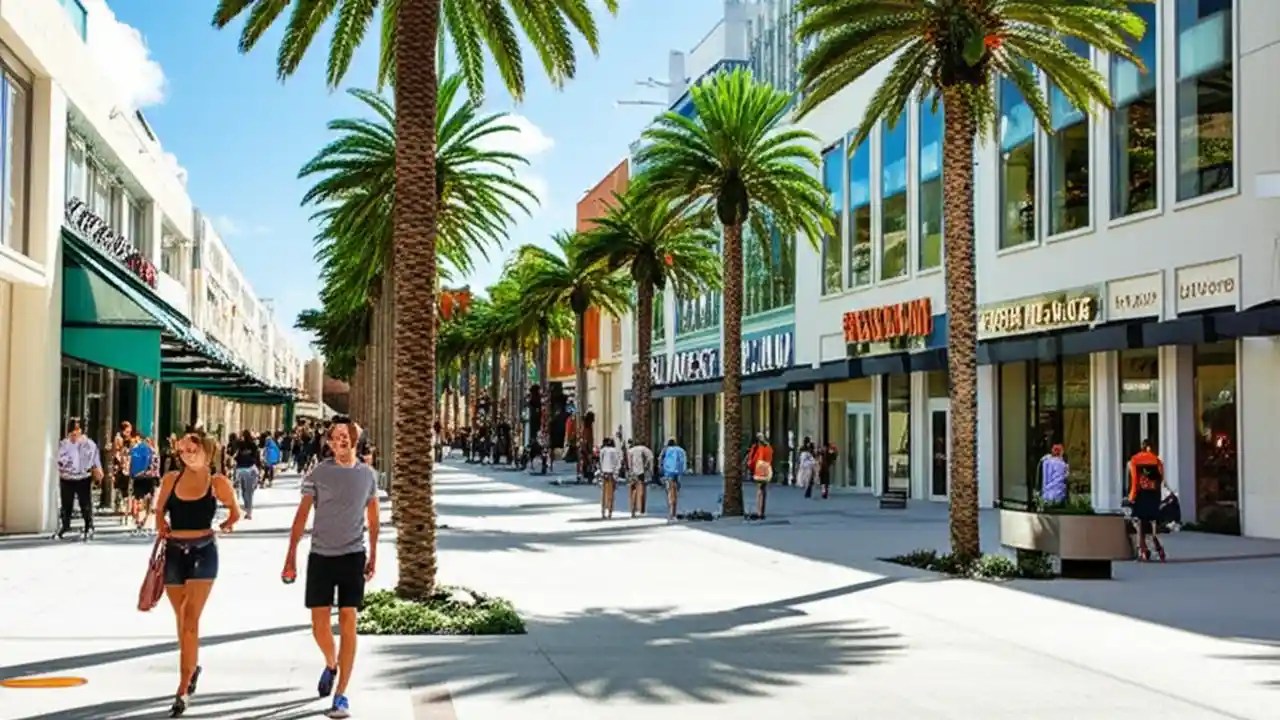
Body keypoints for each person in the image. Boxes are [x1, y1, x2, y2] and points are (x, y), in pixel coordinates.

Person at [283, 417, 379, 720]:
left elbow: (374, 520)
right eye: (337, 436)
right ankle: (332, 662)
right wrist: (290, 556)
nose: (343, 440)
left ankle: (341, 695)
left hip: (353, 555)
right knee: (319, 625)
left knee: (349, 620)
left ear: (356, 439)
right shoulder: (317, 474)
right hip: (321, 556)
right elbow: (300, 518)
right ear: (330, 442)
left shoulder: (368, 476)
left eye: (348, 435)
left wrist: (373, 555)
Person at [154, 432, 240, 717]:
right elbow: (159, 511)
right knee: (181, 618)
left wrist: (226, 524)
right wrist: (161, 526)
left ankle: (182, 686)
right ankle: (192, 666)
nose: (188, 454)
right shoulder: (171, 480)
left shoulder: (217, 482)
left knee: (190, 618)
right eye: (184, 450)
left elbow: (235, 512)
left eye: (193, 449)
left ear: (207, 452)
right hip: (174, 553)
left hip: (204, 551)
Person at [55, 417, 103, 540]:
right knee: (66, 504)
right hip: (67, 477)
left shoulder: (89, 444)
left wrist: (98, 470)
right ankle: (65, 526)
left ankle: (89, 525)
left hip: (83, 477)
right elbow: (59, 459)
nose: (74, 433)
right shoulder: (64, 444)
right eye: (72, 430)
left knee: (85, 503)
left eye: (77, 429)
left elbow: (95, 459)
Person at [1128, 439, 1167, 562]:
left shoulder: (1135, 460)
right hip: (1154, 494)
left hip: (1141, 494)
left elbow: (1135, 481)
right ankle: (1156, 543)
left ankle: (1143, 549)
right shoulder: (1157, 461)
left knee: (1139, 522)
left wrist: (1131, 497)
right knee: (1152, 521)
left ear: (1142, 447)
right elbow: (1160, 479)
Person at [131, 435, 161, 534]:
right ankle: (145, 521)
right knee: (148, 500)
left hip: (138, 478)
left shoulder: (137, 451)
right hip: (149, 478)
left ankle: (139, 520)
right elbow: (156, 468)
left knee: (138, 499)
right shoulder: (153, 452)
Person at [232, 430, 263, 520]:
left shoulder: (239, 444)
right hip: (250, 469)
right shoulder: (253, 445)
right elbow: (257, 458)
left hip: (240, 469)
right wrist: (259, 468)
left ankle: (246, 508)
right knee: (249, 492)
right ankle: (249, 511)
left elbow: (234, 455)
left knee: (244, 490)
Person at [659, 438, 687, 523]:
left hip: (668, 474)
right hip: (677, 474)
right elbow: (684, 462)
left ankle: (671, 513)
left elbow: (660, 460)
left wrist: (661, 471)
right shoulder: (681, 450)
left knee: (669, 493)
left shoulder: (665, 450)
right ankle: (674, 514)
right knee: (675, 493)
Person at [748, 434, 774, 519]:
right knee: (763, 490)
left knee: (760, 490)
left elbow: (753, 459)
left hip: (760, 469)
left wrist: (751, 468)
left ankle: (760, 512)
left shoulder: (758, 448)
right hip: (765, 468)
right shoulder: (768, 448)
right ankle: (761, 511)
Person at [626, 439, 654, 519]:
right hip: (641, 472)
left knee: (633, 490)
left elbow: (629, 462)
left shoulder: (631, 450)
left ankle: (632, 509)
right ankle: (642, 509)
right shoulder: (645, 449)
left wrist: (630, 470)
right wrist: (649, 468)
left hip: (633, 473)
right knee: (642, 490)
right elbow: (651, 458)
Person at [597, 437, 623, 520]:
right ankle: (610, 512)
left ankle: (603, 511)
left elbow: (600, 462)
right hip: (612, 473)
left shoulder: (603, 450)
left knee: (604, 493)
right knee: (611, 494)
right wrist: (616, 473)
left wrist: (601, 472)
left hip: (604, 473)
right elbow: (618, 463)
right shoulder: (615, 451)